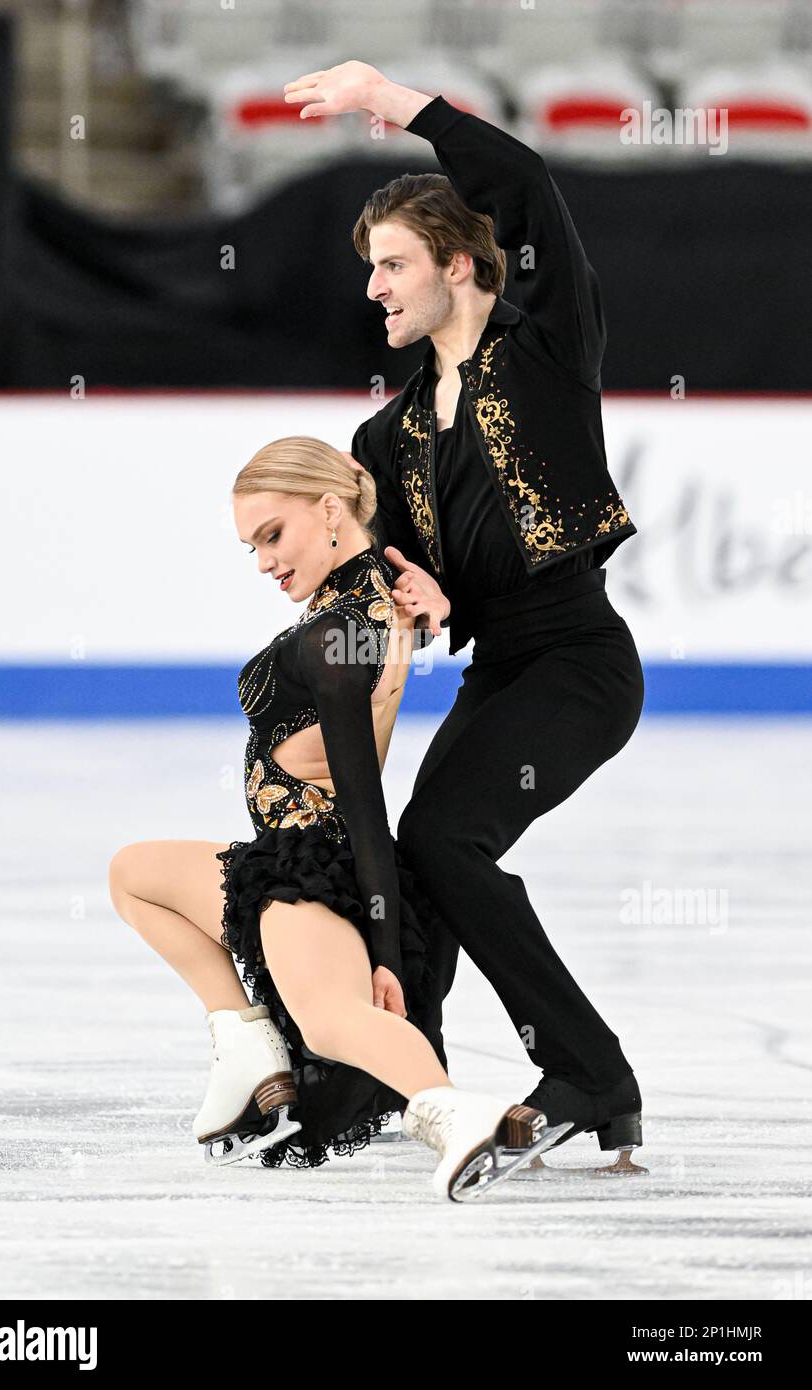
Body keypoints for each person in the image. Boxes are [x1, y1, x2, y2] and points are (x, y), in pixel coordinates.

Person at [281, 61, 648, 1172]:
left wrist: (397, 105)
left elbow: (528, 185)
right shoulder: (380, 444)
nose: (374, 289)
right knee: (423, 850)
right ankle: (401, 1068)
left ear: (456, 267)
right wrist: (402, 595)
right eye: (368, 270)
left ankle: (589, 1070)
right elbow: (392, 581)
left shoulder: (541, 350)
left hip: (578, 661)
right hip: (502, 670)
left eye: (393, 266)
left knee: (447, 839)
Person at [108, 437, 571, 1201]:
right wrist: (436, 600)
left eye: (272, 536)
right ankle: (248, 1047)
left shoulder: (337, 634)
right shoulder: (374, 599)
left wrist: (388, 948)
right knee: (135, 873)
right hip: (292, 858)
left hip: (316, 868)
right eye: (252, 545)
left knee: (329, 1023)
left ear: (327, 511)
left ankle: (460, 1118)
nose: (264, 562)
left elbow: (364, 799)